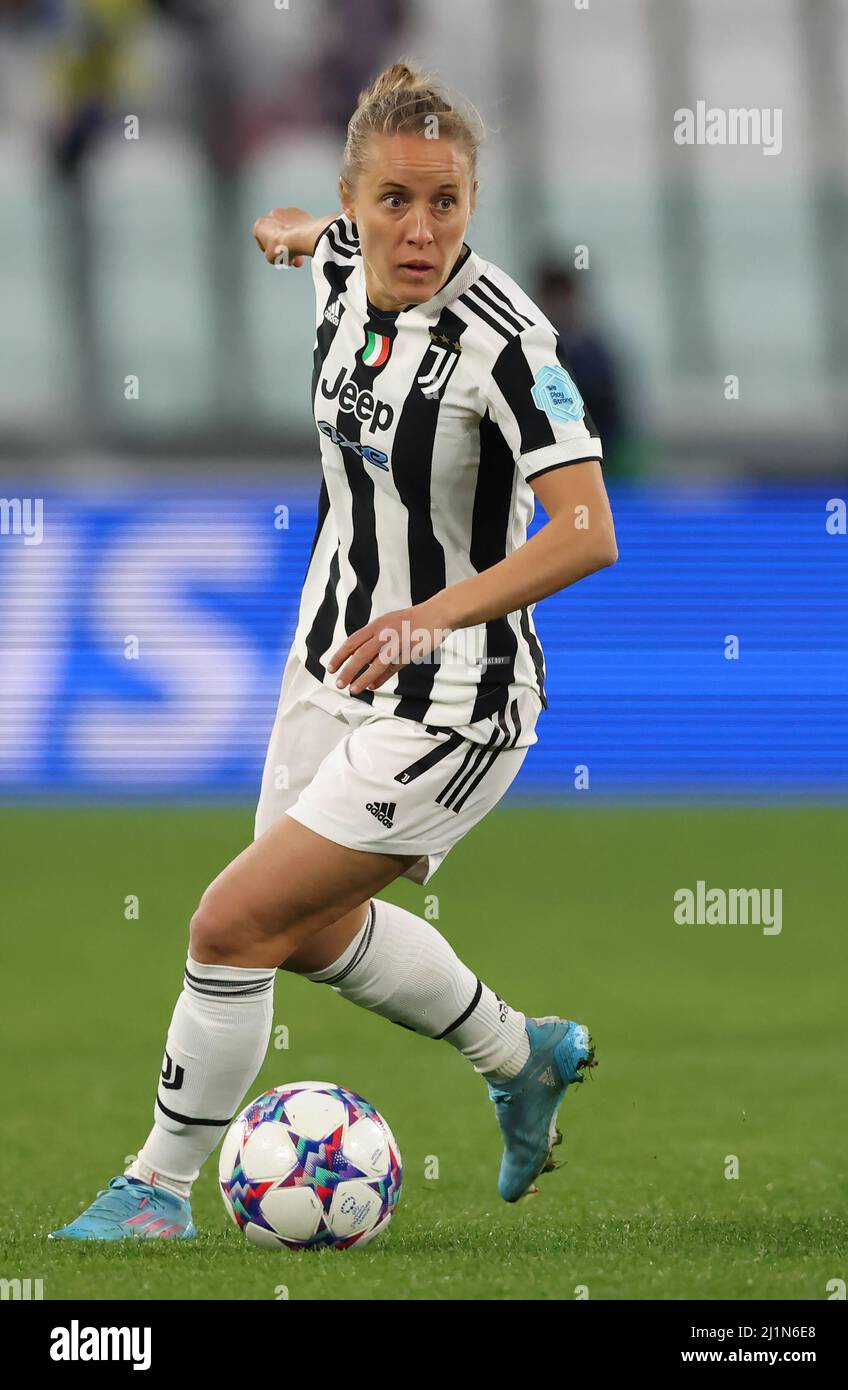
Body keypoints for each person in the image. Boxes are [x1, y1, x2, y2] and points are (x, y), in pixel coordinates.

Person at [50, 59, 617, 1241]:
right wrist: (287, 227)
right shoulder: (343, 261)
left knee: (228, 925)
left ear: (474, 201)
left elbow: (584, 530)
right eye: (395, 201)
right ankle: (521, 1056)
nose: (421, 230)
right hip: (331, 659)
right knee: (299, 930)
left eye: (446, 202)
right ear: (356, 203)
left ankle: (155, 1191)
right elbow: (305, 235)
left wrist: (432, 615)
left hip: (456, 689)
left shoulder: (508, 345)